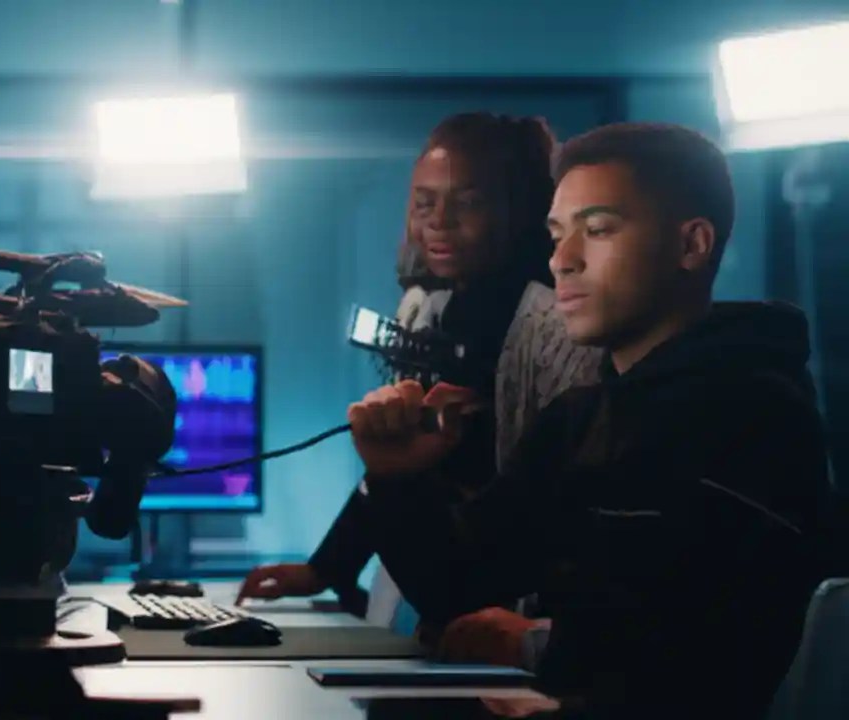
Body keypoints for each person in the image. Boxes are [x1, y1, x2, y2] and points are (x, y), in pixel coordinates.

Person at [350, 123, 832, 718]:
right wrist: (397, 478)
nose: (563, 261)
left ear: (692, 245)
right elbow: (460, 583)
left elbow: (710, 645)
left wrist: (540, 646)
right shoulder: (579, 417)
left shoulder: (755, 414)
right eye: (557, 235)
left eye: (598, 230)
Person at [236, 113, 602, 634]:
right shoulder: (433, 308)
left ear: (523, 210)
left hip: (521, 619)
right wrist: (327, 565)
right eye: (425, 203)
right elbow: (400, 466)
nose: (438, 222)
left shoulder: (547, 327)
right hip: (444, 590)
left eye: (468, 201)